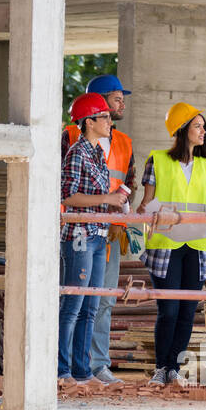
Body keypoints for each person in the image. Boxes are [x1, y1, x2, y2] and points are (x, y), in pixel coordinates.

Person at [61, 73, 136, 386]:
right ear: (91, 118)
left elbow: (122, 181)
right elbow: (66, 193)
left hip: (102, 233)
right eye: (104, 114)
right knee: (74, 305)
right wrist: (107, 199)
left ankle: (85, 370)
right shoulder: (74, 147)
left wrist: (118, 204)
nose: (112, 116)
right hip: (79, 234)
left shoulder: (108, 149)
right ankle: (62, 371)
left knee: (93, 305)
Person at [139, 102, 206, 387]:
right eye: (198, 125)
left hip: (197, 245)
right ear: (183, 130)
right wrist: (146, 212)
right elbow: (145, 205)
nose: (203, 130)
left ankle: (174, 368)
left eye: (204, 126)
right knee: (169, 309)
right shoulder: (158, 160)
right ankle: (161, 367)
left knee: (187, 311)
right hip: (166, 244)